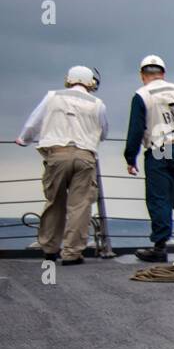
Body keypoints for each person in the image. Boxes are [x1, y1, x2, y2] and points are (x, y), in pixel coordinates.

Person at [16, 65, 108, 264]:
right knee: (80, 206)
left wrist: (23, 139)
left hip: (56, 154)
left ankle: (50, 249)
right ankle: (72, 253)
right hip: (85, 156)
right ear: (90, 82)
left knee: (54, 203)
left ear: (69, 79)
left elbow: (34, 122)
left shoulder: (52, 96)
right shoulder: (97, 103)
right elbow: (104, 131)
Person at [123, 55, 174, 262]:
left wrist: (130, 157)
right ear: (163, 73)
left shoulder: (141, 95)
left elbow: (136, 130)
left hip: (159, 152)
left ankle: (160, 247)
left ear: (143, 75)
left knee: (159, 199)